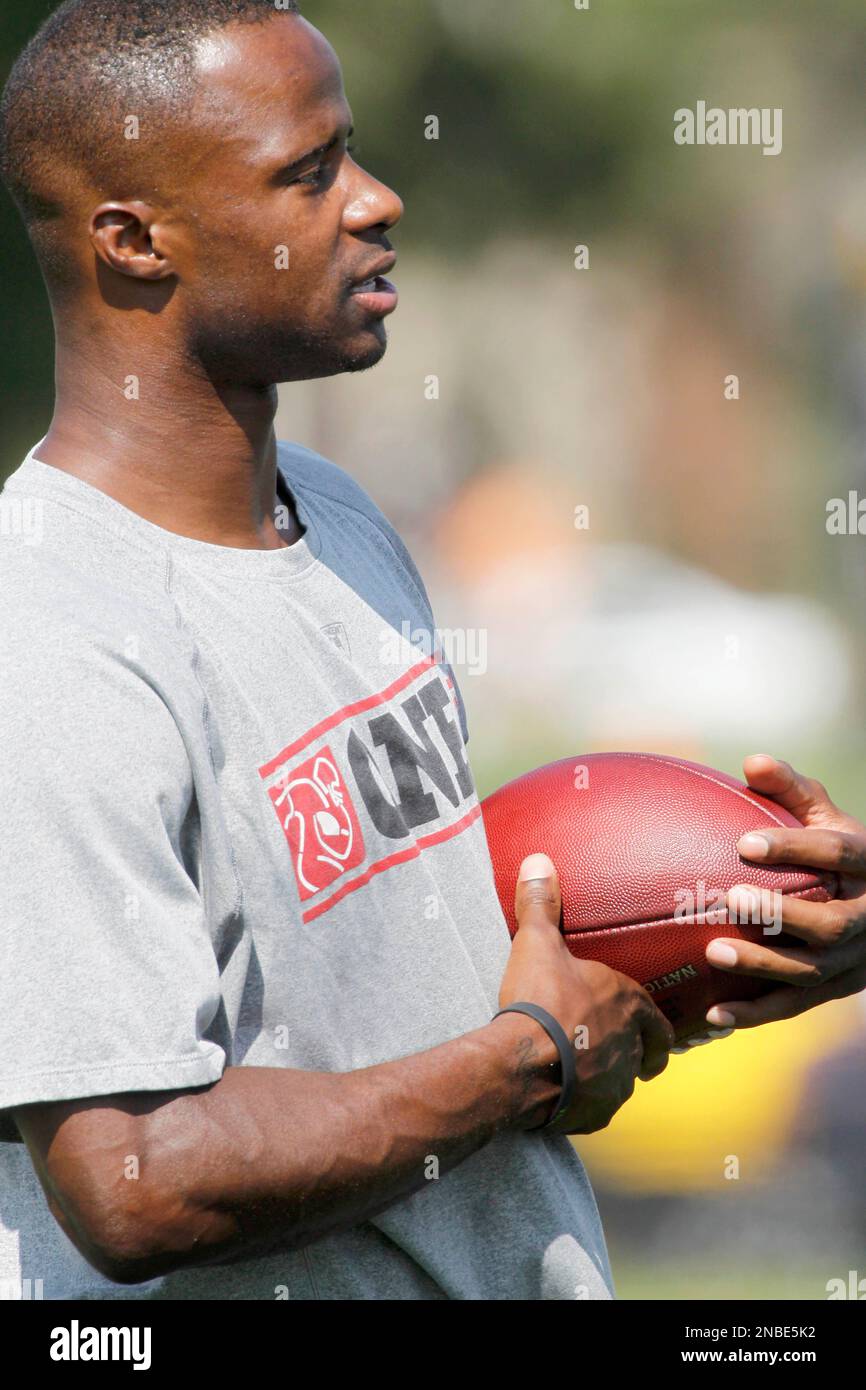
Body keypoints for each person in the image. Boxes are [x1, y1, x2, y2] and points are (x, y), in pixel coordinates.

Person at [1, 1, 864, 1302]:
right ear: (133, 239)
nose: (376, 199)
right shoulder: (52, 637)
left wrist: (743, 934)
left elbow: (438, 1033)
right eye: (309, 172)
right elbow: (133, 1179)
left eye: (352, 152)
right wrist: (528, 1054)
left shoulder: (341, 519)